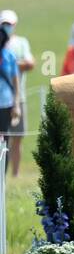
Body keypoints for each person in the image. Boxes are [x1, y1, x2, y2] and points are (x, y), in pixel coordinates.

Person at [1, 10, 34, 176]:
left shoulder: (21, 42)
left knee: (17, 136)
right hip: (2, 100)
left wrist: (11, 63)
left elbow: (30, 63)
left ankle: (15, 174)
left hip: (17, 97)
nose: (7, 27)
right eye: (4, 24)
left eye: (9, 24)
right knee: (3, 138)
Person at [0, 22, 19, 144]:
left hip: (6, 104)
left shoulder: (10, 56)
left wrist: (16, 105)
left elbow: (16, 83)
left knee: (4, 140)